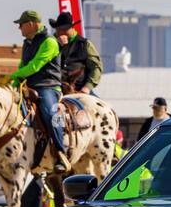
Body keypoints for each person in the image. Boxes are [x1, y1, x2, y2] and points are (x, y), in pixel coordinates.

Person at [8, 10, 68, 171]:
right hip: (28, 86)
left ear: (31, 24)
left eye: (21, 25)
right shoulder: (27, 43)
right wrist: (11, 86)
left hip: (48, 87)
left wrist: (10, 76)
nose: (19, 28)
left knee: (52, 114)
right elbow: (23, 66)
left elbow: (35, 66)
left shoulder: (50, 42)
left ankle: (60, 152)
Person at [52, 11, 102, 94]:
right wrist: (57, 46)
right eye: (58, 29)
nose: (60, 32)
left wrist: (87, 87)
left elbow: (96, 67)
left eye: (64, 29)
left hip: (80, 89)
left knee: (98, 106)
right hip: (55, 87)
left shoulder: (85, 44)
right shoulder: (50, 43)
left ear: (72, 28)